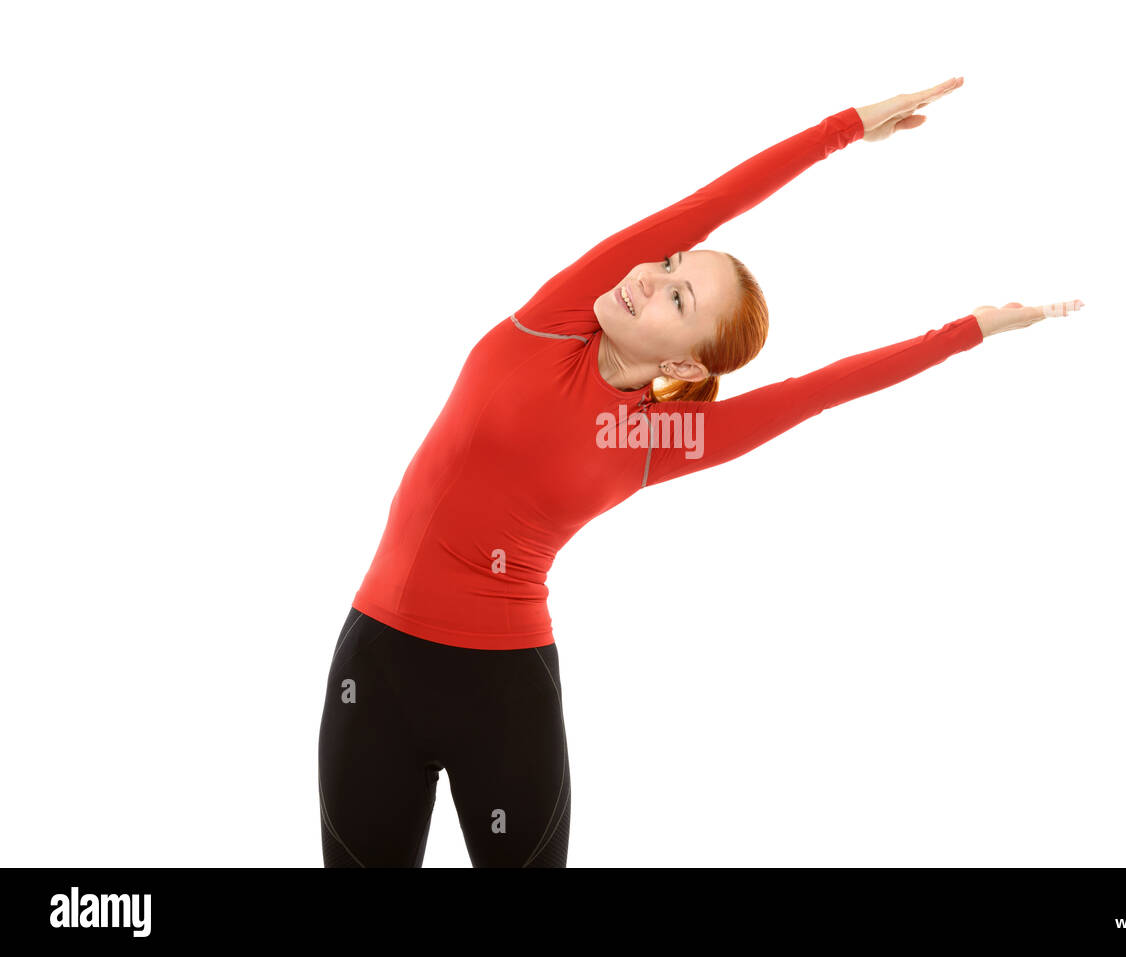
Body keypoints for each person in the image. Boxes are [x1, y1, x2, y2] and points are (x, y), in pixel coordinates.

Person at [317, 76, 1083, 867]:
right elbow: (707, 204)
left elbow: (821, 391)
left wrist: (971, 330)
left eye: (678, 297)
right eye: (671, 264)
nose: (651, 276)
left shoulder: (659, 436)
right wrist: (845, 129)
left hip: (505, 691)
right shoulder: (553, 321)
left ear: (683, 359)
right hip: (377, 671)